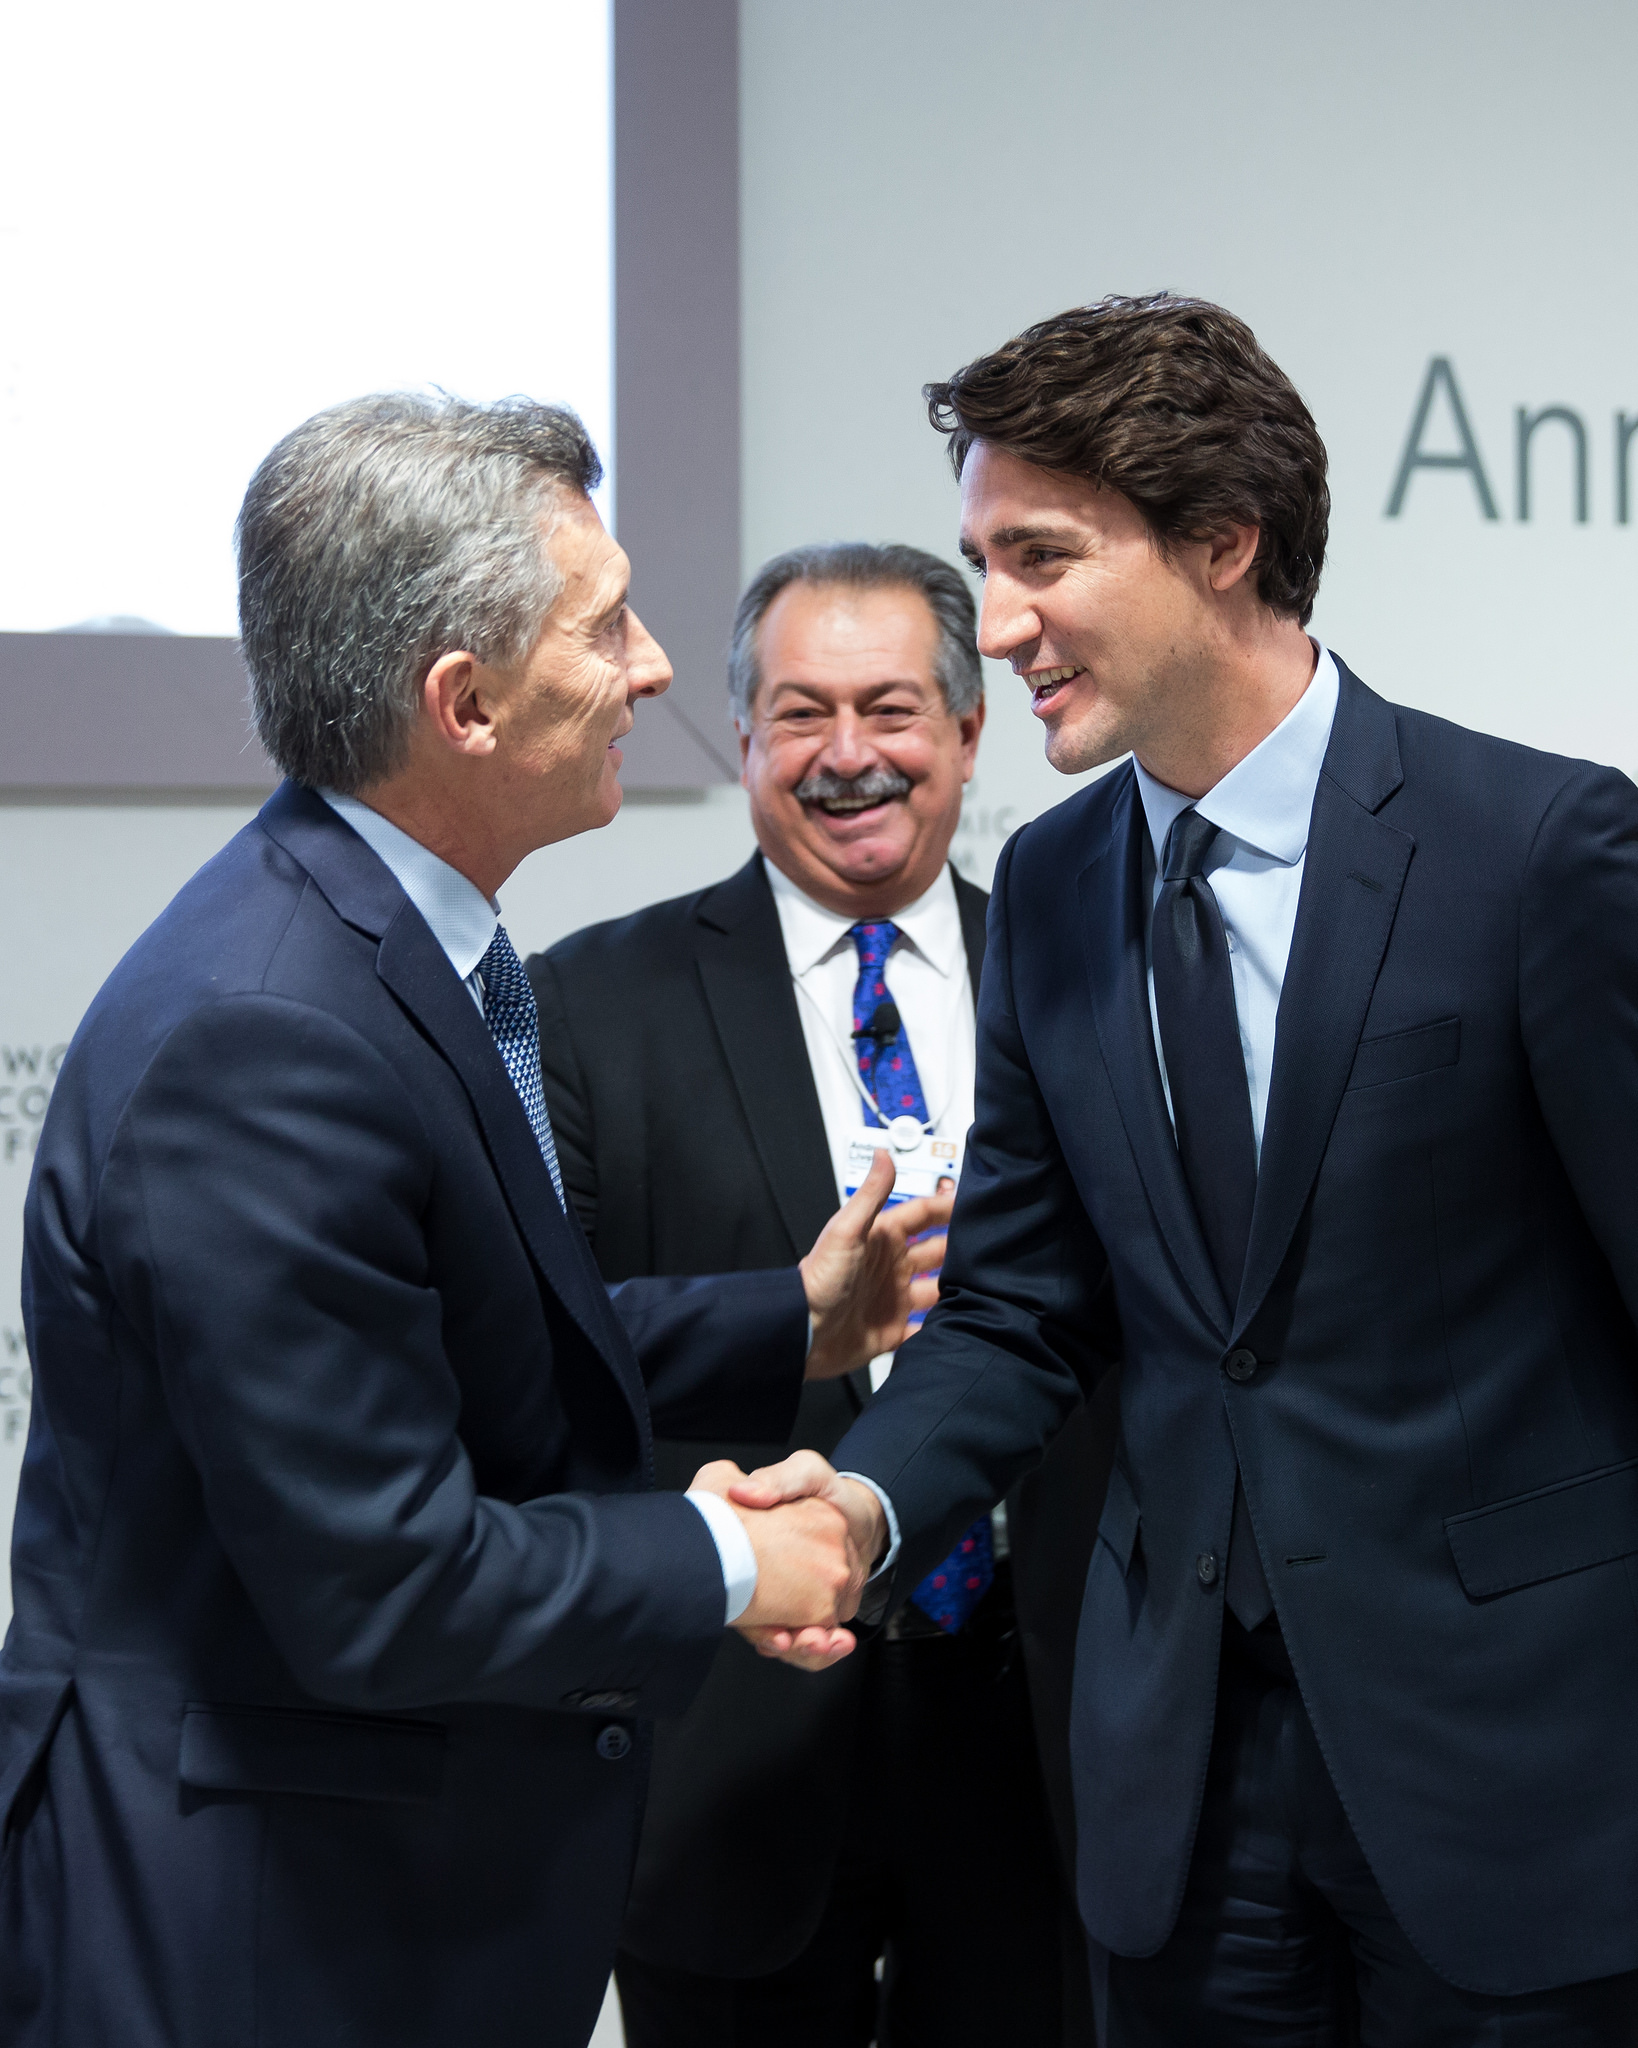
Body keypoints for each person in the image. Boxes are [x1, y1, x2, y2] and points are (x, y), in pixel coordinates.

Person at [731, 296, 1638, 2046]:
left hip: (1514, 1781)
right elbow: (1018, 1310)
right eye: (983, 562)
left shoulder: (1538, 848)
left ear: (1221, 543)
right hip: (1179, 1791)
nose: (994, 625)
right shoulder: (1059, 884)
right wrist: (859, 1504)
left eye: (1039, 559)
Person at [0, 395, 938, 2048]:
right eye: (606, 626)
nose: (653, 668)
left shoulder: (375, 941)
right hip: (255, 1931)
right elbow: (380, 1579)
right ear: (466, 703)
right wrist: (731, 1554)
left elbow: (444, 1333)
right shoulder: (270, 1031)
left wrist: (789, 1321)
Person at [526, 542, 1115, 2047]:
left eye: (891, 709)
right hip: (726, 1740)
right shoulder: (586, 1006)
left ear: (970, 731)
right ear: (738, 736)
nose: (847, 754)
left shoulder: (1090, 976)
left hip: (1046, 1728)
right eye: (800, 714)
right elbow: (545, 1371)